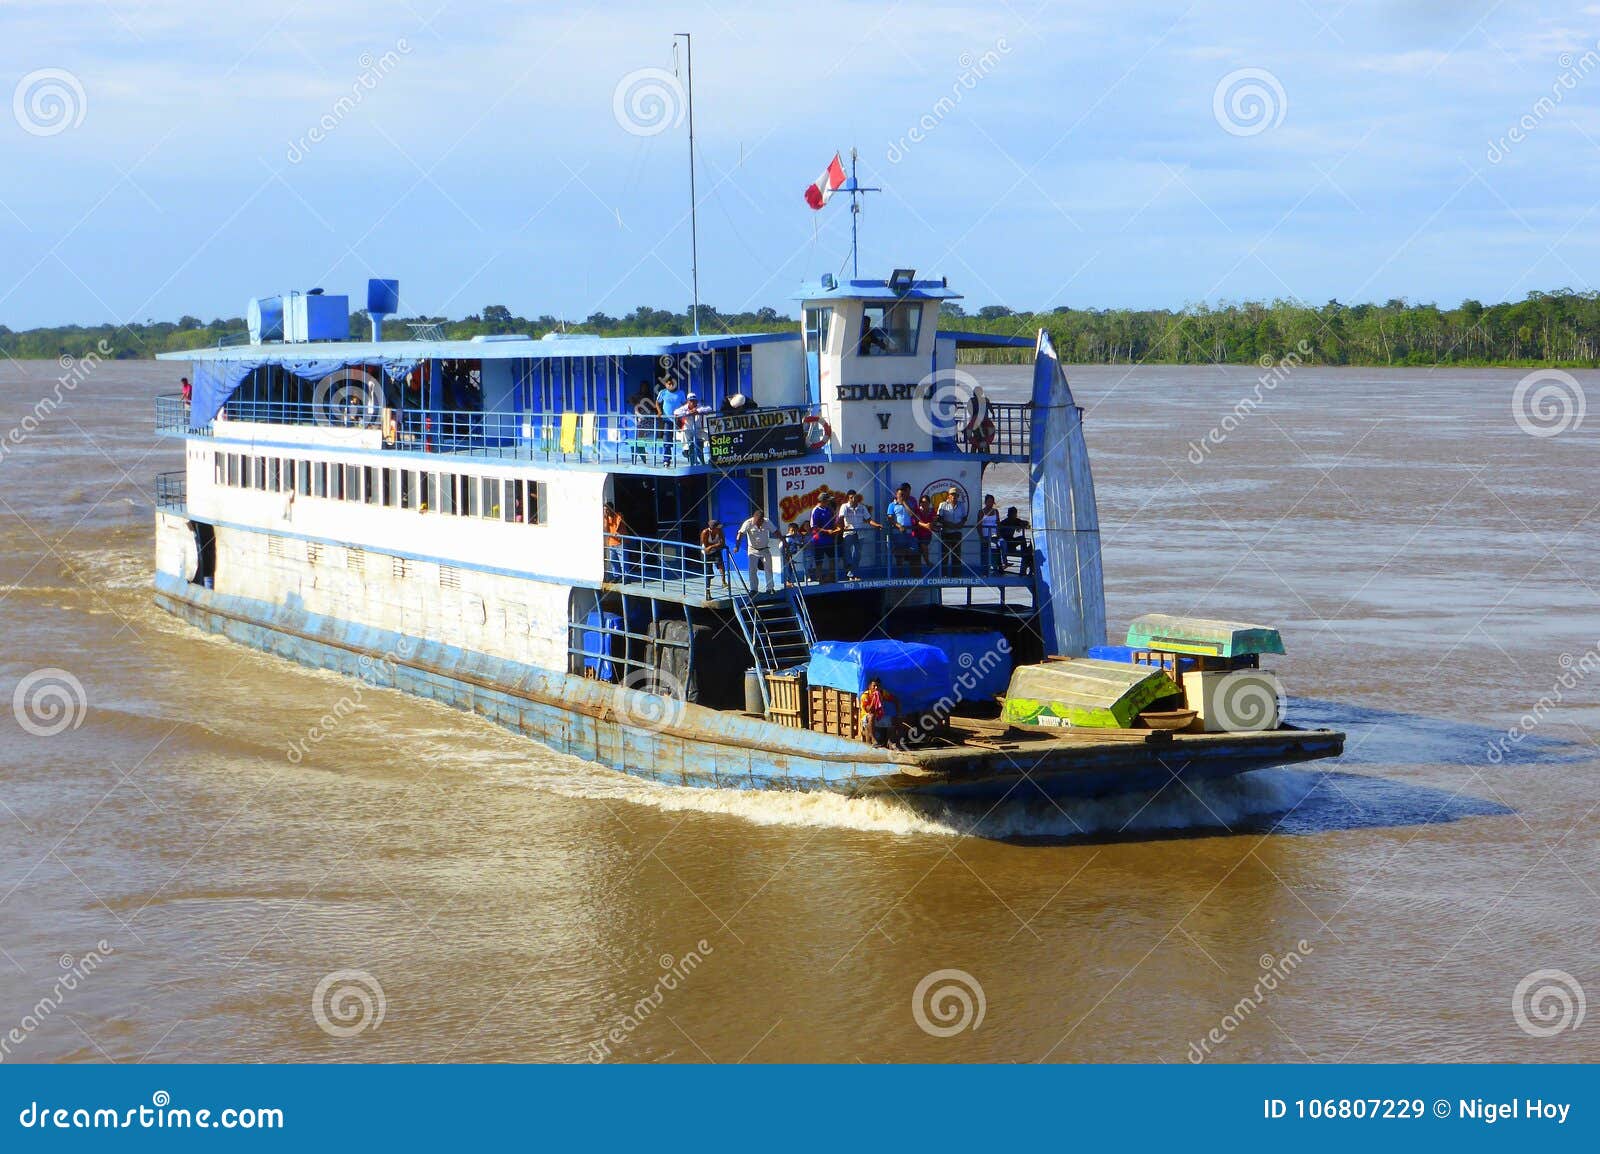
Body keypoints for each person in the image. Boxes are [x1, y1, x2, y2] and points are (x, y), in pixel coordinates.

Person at [837, 489, 881, 580]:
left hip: (860, 533)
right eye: (851, 497)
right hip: (848, 532)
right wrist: (841, 528)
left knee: (858, 553)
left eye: (855, 497)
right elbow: (841, 518)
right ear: (848, 498)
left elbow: (869, 520)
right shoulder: (844, 506)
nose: (853, 499)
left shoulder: (862, 507)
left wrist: (877, 525)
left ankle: (852, 573)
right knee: (847, 551)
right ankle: (850, 571)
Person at [735, 507, 778, 594]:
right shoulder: (748, 523)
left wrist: (783, 541)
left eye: (759, 521)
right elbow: (740, 534)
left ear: (762, 519)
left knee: (768, 568)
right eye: (756, 521)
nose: (757, 523)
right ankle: (754, 589)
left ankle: (770, 588)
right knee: (752, 570)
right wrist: (737, 546)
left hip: (765, 549)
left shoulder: (767, 522)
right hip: (753, 550)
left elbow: (776, 531)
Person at [934, 486, 968, 576]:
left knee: (956, 556)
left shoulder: (961, 505)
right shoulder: (943, 504)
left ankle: (956, 576)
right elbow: (939, 518)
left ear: (958, 496)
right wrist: (948, 524)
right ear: (948, 496)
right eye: (952, 495)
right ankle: (944, 575)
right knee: (944, 556)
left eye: (955, 495)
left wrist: (961, 524)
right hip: (945, 533)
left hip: (957, 533)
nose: (954, 496)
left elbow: (964, 517)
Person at [886, 483, 918, 575]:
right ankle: (900, 575)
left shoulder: (909, 503)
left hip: (909, 532)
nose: (902, 496)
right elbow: (890, 519)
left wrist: (904, 502)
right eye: (900, 495)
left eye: (903, 495)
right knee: (899, 556)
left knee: (913, 551)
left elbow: (912, 514)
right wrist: (899, 526)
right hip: (898, 533)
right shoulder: (892, 505)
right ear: (896, 495)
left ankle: (913, 575)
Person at [808, 490, 839, 584]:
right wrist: (827, 531)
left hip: (829, 539)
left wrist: (836, 528)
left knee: (833, 558)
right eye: (827, 500)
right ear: (822, 501)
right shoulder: (816, 511)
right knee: (819, 560)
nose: (828, 502)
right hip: (819, 540)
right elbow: (814, 527)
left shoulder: (829, 509)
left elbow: (833, 522)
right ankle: (819, 578)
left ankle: (831, 576)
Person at [859, 676, 897, 747]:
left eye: (878, 686)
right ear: (869, 686)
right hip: (866, 716)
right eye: (874, 686)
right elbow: (869, 710)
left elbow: (895, 700)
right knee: (872, 716)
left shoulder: (882, 693)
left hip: (878, 715)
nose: (876, 688)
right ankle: (873, 739)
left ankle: (890, 742)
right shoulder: (865, 695)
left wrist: (899, 713)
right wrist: (874, 700)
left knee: (891, 720)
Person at [674, 393, 707, 466]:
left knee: (710, 438)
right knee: (685, 433)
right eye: (691, 401)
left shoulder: (699, 407)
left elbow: (708, 409)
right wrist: (688, 412)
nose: (693, 402)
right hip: (688, 431)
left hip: (698, 431)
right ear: (688, 401)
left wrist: (698, 411)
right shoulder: (685, 408)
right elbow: (676, 412)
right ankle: (686, 451)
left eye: (694, 400)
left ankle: (712, 457)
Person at [629, 385, 659, 464]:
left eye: (645, 387)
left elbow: (653, 406)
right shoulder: (638, 396)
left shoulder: (649, 396)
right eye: (643, 387)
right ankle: (642, 454)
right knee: (640, 436)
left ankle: (643, 453)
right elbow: (631, 400)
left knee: (644, 436)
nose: (644, 389)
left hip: (649, 417)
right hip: (642, 418)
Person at [961, 384, 996, 452]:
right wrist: (993, 414)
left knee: (976, 438)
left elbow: (968, 410)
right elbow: (990, 408)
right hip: (984, 422)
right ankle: (985, 453)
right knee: (985, 438)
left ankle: (974, 453)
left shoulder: (972, 400)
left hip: (975, 422)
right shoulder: (985, 399)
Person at [997, 506, 1031, 574]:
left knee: (1022, 538)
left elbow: (1026, 523)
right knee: (1002, 543)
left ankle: (1024, 552)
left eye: (1014, 514)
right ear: (1008, 514)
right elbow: (998, 533)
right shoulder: (1004, 522)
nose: (1013, 515)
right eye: (1012, 514)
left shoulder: (1016, 520)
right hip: (1005, 543)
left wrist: (1021, 525)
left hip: (1012, 541)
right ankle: (1004, 563)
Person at [699, 518, 727, 595]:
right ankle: (708, 591)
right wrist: (716, 545)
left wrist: (712, 546)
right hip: (706, 553)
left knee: (720, 564)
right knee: (709, 572)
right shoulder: (705, 532)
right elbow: (706, 546)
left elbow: (722, 543)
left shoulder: (720, 531)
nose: (719, 529)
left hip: (715, 550)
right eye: (718, 527)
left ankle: (724, 581)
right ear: (713, 528)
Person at [602, 503, 628, 581]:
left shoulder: (618, 515)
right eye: (604, 510)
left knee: (623, 561)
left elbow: (618, 527)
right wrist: (606, 518)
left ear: (611, 509)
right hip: (611, 542)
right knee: (613, 561)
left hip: (620, 542)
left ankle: (626, 577)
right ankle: (617, 576)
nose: (606, 511)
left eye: (607, 510)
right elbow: (606, 529)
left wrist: (615, 532)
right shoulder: (606, 518)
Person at [977, 494, 1001, 574]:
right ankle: (984, 571)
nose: (990, 503)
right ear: (985, 502)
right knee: (984, 554)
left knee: (995, 551)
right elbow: (979, 526)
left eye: (992, 501)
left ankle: (997, 569)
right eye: (989, 501)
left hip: (994, 536)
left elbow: (998, 524)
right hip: (985, 536)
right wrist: (981, 537)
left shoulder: (995, 511)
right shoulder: (981, 512)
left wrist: (998, 535)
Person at [913, 494, 936, 572]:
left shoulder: (932, 511)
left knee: (923, 545)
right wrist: (926, 525)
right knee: (917, 554)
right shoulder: (917, 510)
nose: (924, 504)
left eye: (926, 502)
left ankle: (927, 562)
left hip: (927, 534)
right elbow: (916, 521)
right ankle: (918, 573)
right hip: (916, 534)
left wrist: (929, 525)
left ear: (929, 503)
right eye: (922, 502)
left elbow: (933, 521)